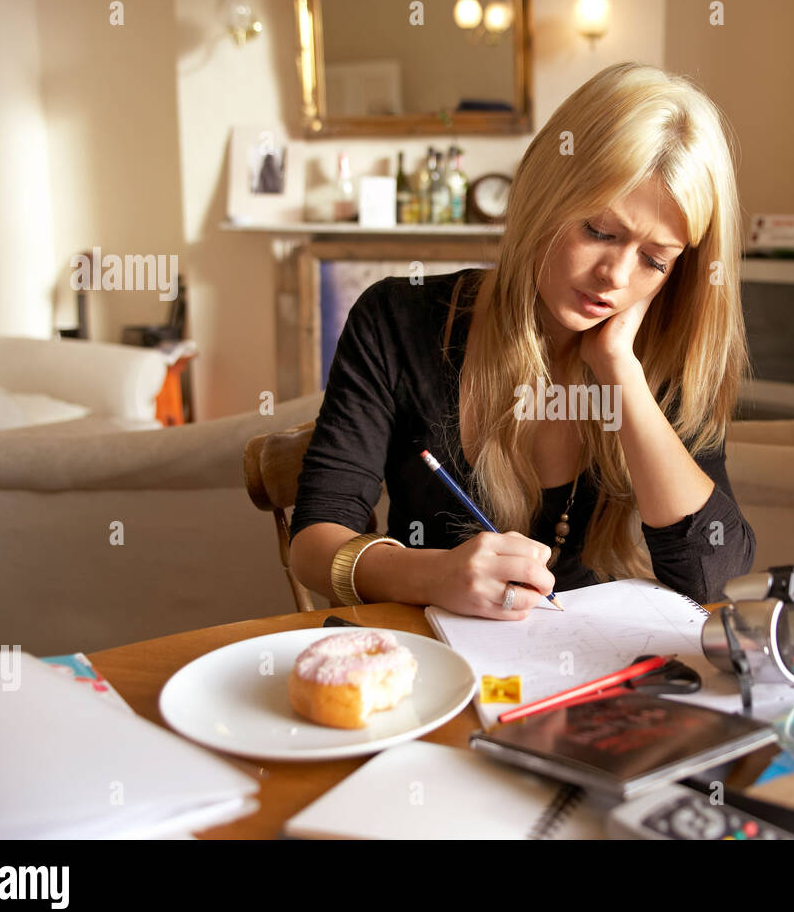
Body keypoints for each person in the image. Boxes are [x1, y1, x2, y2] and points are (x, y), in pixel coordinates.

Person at [289, 62, 755, 619]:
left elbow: (713, 573)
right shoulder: (397, 316)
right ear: (545, 193)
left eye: (655, 260)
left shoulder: (665, 353)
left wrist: (619, 369)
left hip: (587, 673)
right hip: (432, 660)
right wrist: (435, 574)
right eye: (599, 232)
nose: (616, 275)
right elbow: (313, 546)